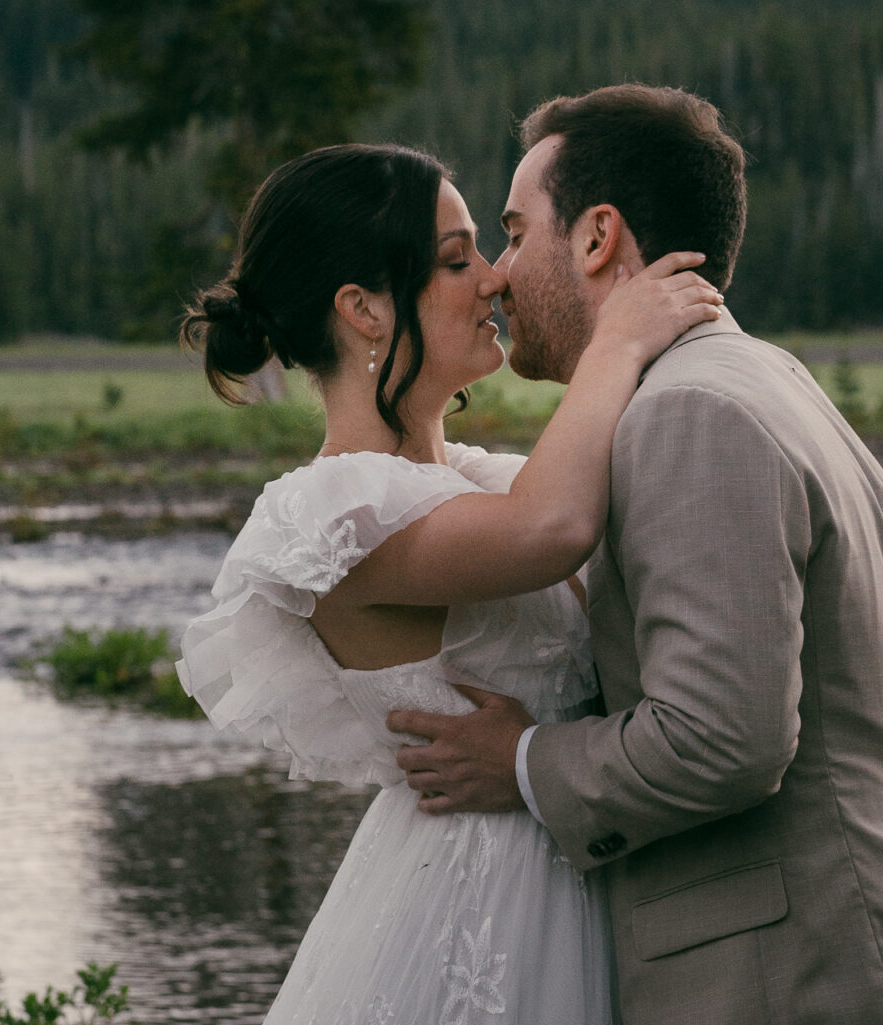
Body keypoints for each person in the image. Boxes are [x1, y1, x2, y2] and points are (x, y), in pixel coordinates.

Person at [389, 85, 883, 1024]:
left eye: (517, 233)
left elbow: (727, 737)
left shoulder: (689, 414)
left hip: (799, 970)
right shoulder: (765, 379)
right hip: (851, 948)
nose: (501, 273)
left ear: (598, 238)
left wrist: (519, 759)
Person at [174, 141, 723, 1024]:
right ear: (364, 309)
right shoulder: (332, 511)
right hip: (478, 906)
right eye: (456, 258)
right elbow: (552, 531)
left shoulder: (484, 477)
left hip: (596, 875)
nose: (495, 281)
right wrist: (616, 342)